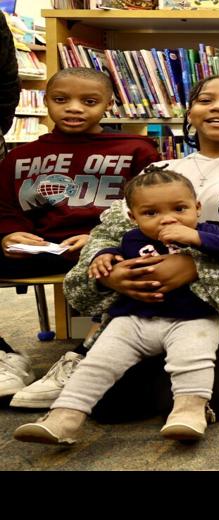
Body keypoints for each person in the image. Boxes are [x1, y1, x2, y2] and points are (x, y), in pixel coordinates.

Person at [60, 73, 219, 422]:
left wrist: (196, 268)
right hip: (146, 305)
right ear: (190, 114)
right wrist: (110, 272)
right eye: (206, 100)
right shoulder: (159, 169)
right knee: (108, 407)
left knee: (201, 397)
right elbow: (108, 234)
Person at [14, 169, 219, 444]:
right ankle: (64, 418)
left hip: (193, 319)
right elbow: (114, 251)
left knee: (192, 360)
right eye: (151, 213)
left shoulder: (206, 232)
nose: (168, 218)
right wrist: (103, 258)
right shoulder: (131, 238)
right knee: (98, 362)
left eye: (180, 209)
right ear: (133, 217)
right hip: (134, 318)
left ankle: (189, 413)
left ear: (197, 208)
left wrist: (197, 239)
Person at [0, 67, 159, 408]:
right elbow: (5, 207)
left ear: (109, 105)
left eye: (89, 101)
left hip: (105, 247)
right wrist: (9, 234)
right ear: (46, 101)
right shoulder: (18, 157)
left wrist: (97, 238)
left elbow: (152, 207)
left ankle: (86, 354)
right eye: (61, 99)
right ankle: (3, 356)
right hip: (38, 249)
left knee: (145, 260)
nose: (74, 108)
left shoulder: (136, 149)